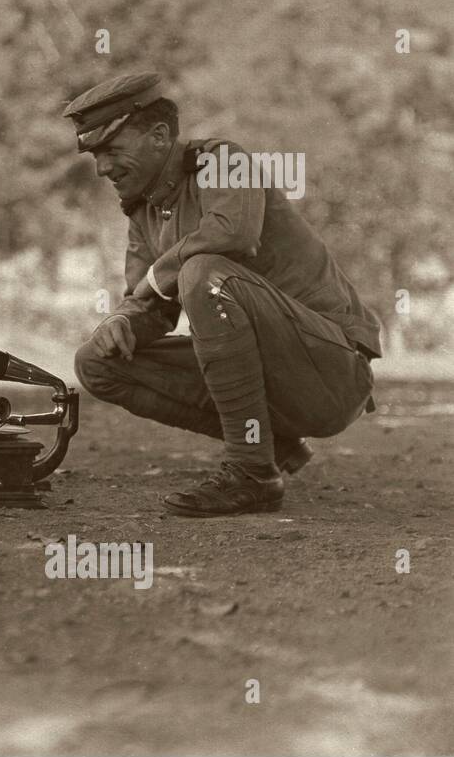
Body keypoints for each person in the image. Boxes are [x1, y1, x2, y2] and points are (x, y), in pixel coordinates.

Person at [67, 72, 380, 516]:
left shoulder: (222, 160)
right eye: (96, 155)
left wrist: (159, 275)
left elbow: (233, 233)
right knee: (97, 363)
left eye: (112, 151)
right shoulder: (145, 209)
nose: (102, 168)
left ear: (159, 136)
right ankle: (268, 446)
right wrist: (123, 320)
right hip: (274, 379)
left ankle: (252, 473)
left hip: (331, 370)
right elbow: (147, 304)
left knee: (204, 273)